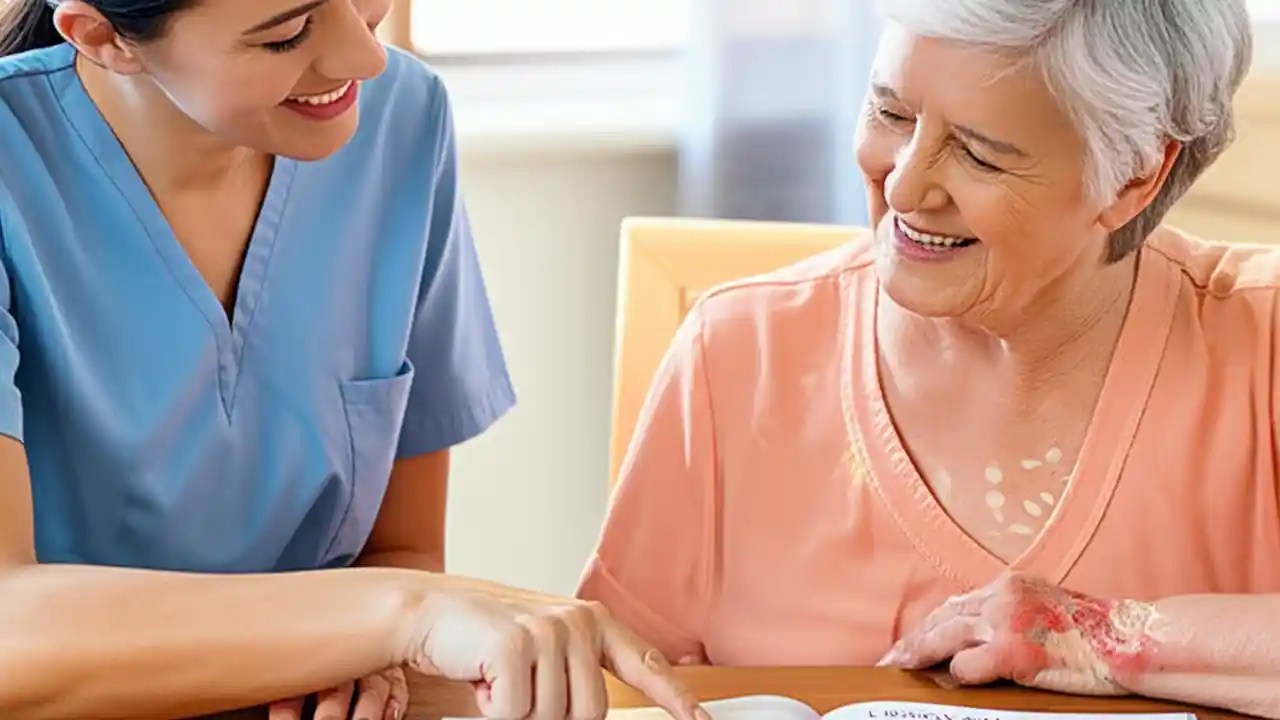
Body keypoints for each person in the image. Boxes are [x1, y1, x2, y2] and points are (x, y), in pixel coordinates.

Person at [0, 1, 707, 719]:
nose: (367, 59)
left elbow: (399, 552)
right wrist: (397, 617)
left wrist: (366, 647)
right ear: (102, 37)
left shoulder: (401, 117)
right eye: (286, 34)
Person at [577, 0, 1280, 716]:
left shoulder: (1265, 351)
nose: (905, 185)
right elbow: (617, 695)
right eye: (890, 114)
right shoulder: (737, 355)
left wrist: (1096, 637)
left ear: (1135, 175)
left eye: (979, 154)